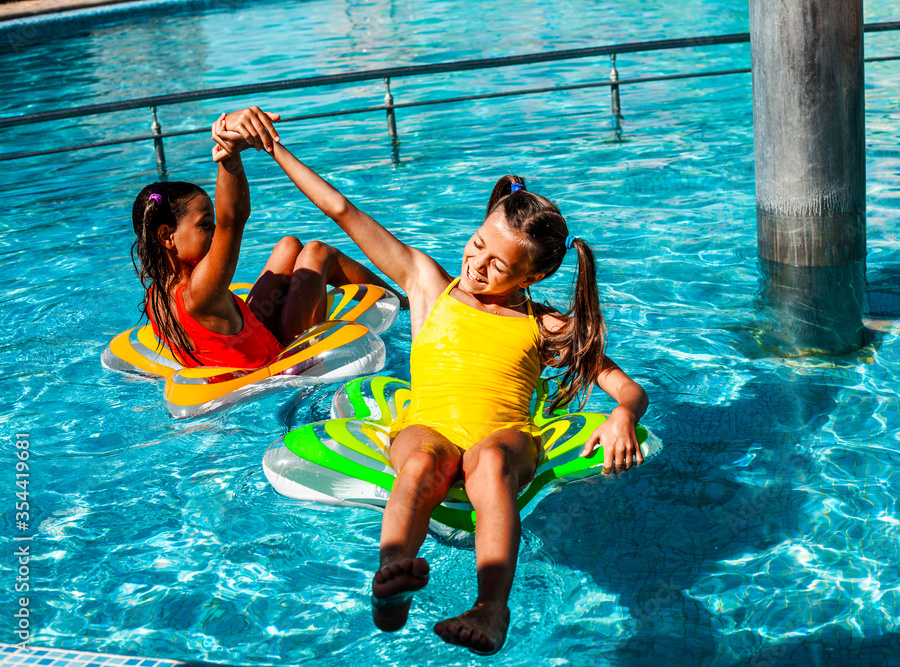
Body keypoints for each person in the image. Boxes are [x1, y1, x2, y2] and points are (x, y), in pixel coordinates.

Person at [215, 107, 649, 655]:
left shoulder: (547, 325)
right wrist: (271, 149)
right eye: (477, 243)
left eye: (498, 263)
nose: (477, 263)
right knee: (422, 459)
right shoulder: (426, 284)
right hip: (428, 426)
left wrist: (623, 415)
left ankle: (491, 609)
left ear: (534, 276)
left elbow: (627, 388)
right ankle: (392, 578)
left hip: (505, 438)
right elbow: (341, 210)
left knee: (487, 462)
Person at [130, 113, 403, 368]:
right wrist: (230, 158)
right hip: (280, 359)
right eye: (206, 226)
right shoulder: (200, 291)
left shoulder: (158, 291)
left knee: (289, 245)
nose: (215, 234)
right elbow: (232, 220)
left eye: (213, 226)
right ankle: (406, 304)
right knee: (318, 253)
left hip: (250, 339)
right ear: (167, 237)